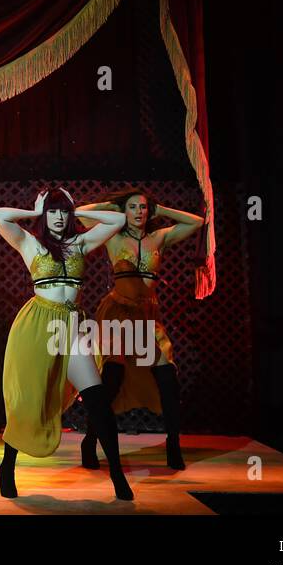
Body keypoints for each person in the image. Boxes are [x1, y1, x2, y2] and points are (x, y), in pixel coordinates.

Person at [0, 188, 133, 501]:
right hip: (38, 325)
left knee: (97, 400)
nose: (58, 218)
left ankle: (118, 475)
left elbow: (118, 219)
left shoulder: (80, 243)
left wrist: (77, 209)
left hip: (71, 325)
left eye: (63, 212)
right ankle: (7, 465)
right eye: (52, 212)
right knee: (28, 401)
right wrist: (36, 211)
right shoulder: (29, 242)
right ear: (44, 215)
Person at [76, 190, 203, 470]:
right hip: (118, 314)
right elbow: (81, 212)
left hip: (148, 317)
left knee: (168, 378)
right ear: (124, 211)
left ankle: (173, 444)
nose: (139, 212)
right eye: (132, 207)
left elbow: (197, 222)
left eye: (144, 208)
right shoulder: (113, 236)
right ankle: (90, 440)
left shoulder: (158, 238)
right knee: (112, 379)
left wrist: (162, 209)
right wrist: (114, 207)